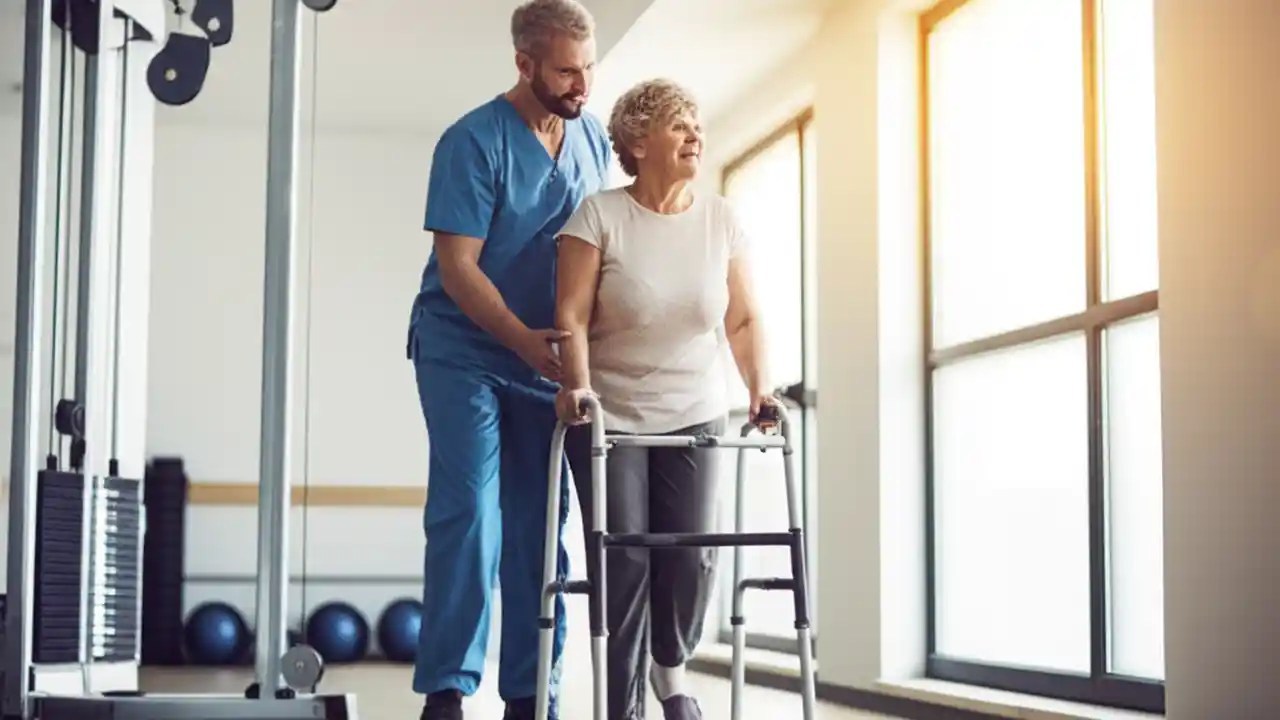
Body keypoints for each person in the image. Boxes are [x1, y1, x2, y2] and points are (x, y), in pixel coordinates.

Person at [404, 1, 611, 718]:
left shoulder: (593, 143)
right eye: (566, 70)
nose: (582, 84)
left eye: (588, 68)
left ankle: (530, 693)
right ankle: (448, 692)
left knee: (538, 524)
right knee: (469, 514)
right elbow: (458, 267)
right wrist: (523, 340)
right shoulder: (473, 141)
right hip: (463, 348)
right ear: (524, 63)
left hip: (543, 359)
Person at [553, 78, 776, 720]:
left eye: (697, 125)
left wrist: (760, 389)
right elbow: (569, 314)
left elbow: (742, 319)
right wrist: (577, 387)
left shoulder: (720, 219)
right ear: (636, 140)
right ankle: (619, 708)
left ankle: (669, 668)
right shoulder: (598, 215)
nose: (694, 135)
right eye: (679, 125)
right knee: (624, 562)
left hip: (695, 411)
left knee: (692, 556)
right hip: (610, 416)